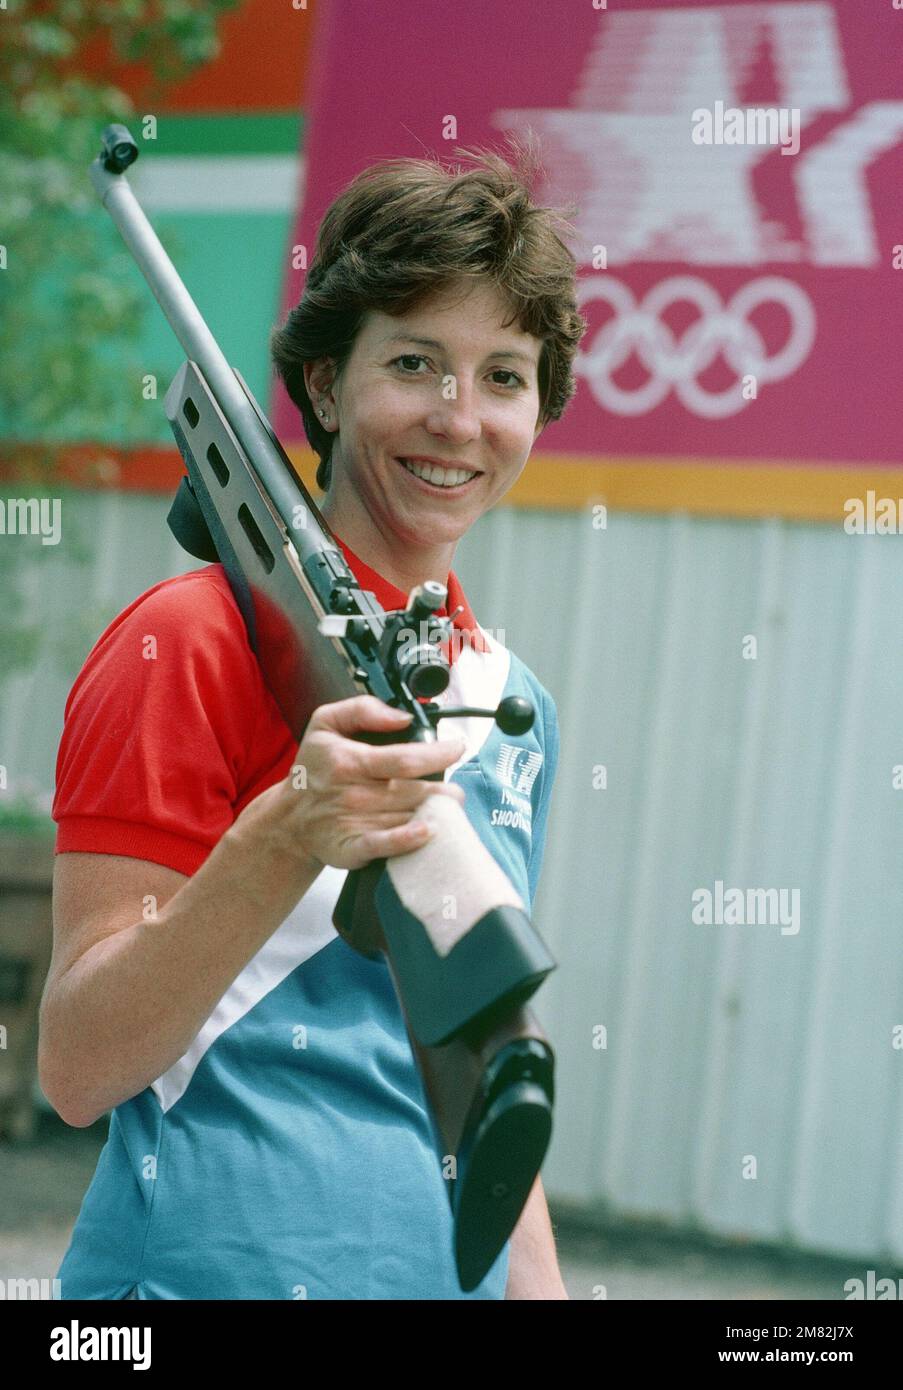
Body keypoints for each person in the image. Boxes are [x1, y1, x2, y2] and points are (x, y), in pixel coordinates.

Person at [39, 141, 586, 1300]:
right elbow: (80, 1064)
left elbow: (486, 1080)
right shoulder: (184, 641)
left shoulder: (512, 702)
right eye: (415, 362)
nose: (458, 417)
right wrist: (293, 826)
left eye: (503, 375)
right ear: (328, 385)